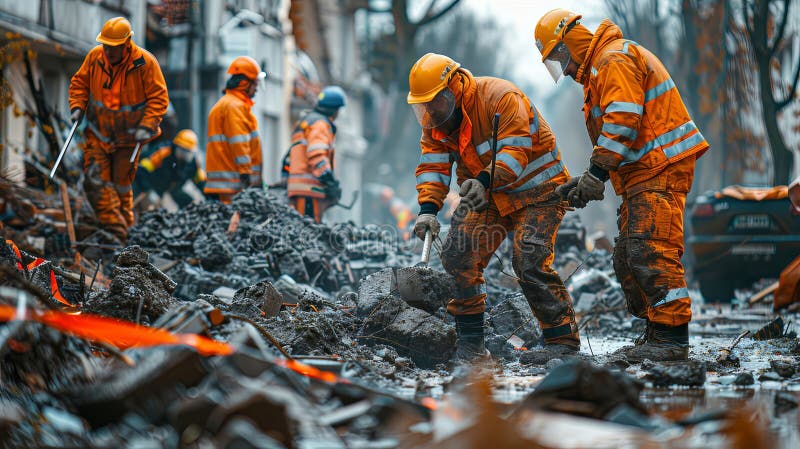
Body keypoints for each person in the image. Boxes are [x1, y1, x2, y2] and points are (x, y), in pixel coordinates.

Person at [534, 9, 710, 361]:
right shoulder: (602, 67)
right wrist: (589, 178)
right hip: (642, 172)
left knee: (650, 249)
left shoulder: (612, 59)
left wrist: (596, 174)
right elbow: (619, 130)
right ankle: (657, 333)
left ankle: (671, 340)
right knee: (628, 257)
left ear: (570, 44)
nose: (563, 71)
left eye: (559, 59)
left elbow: (623, 121)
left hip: (660, 166)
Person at [408, 53, 579, 361]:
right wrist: (427, 210)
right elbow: (433, 165)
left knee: (529, 259)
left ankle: (562, 341)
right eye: (424, 106)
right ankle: (471, 344)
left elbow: (515, 152)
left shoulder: (500, 97)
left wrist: (483, 180)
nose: (430, 111)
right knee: (459, 254)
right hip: (487, 193)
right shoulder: (435, 124)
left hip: (539, 190)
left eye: (435, 102)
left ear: (454, 88)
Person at [69, 16, 168, 241]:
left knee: (121, 187)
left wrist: (147, 126)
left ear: (126, 44)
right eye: (105, 45)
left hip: (129, 139)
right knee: (96, 182)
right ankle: (117, 233)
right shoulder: (95, 58)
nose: (108, 50)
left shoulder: (145, 63)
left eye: (113, 47)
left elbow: (159, 98)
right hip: (98, 134)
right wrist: (77, 107)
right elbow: (79, 84)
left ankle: (125, 231)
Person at [204, 56, 265, 204]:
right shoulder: (235, 107)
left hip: (226, 184)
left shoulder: (226, 104)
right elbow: (239, 142)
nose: (256, 88)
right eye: (255, 83)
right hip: (233, 185)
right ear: (244, 83)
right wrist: (245, 174)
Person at [286, 86, 346, 223]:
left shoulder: (307, 121)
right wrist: (329, 180)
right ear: (335, 109)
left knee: (301, 226)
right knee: (310, 227)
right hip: (310, 189)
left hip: (300, 188)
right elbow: (317, 154)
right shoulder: (320, 124)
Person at [134, 129, 206, 208]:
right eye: (183, 150)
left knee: (190, 205)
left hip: (172, 187)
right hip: (149, 185)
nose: (185, 154)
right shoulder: (163, 153)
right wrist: (149, 190)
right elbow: (142, 170)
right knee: (148, 205)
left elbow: (201, 182)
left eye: (188, 152)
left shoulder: (193, 164)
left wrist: (211, 198)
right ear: (176, 146)